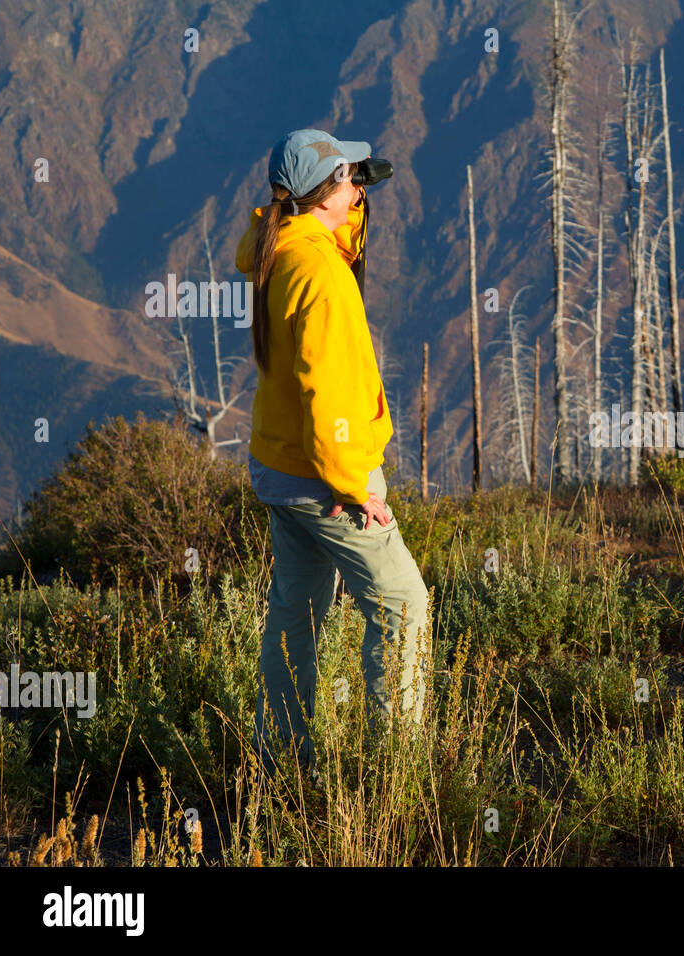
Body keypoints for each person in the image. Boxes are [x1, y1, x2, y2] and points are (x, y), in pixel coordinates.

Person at [234, 128, 429, 775]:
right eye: (349, 182)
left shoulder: (283, 248)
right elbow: (327, 394)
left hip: (281, 468)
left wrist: (352, 202)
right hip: (324, 479)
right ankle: (395, 772)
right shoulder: (319, 273)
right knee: (403, 601)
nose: (358, 190)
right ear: (323, 193)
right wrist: (354, 488)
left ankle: (282, 759)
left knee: (296, 616)